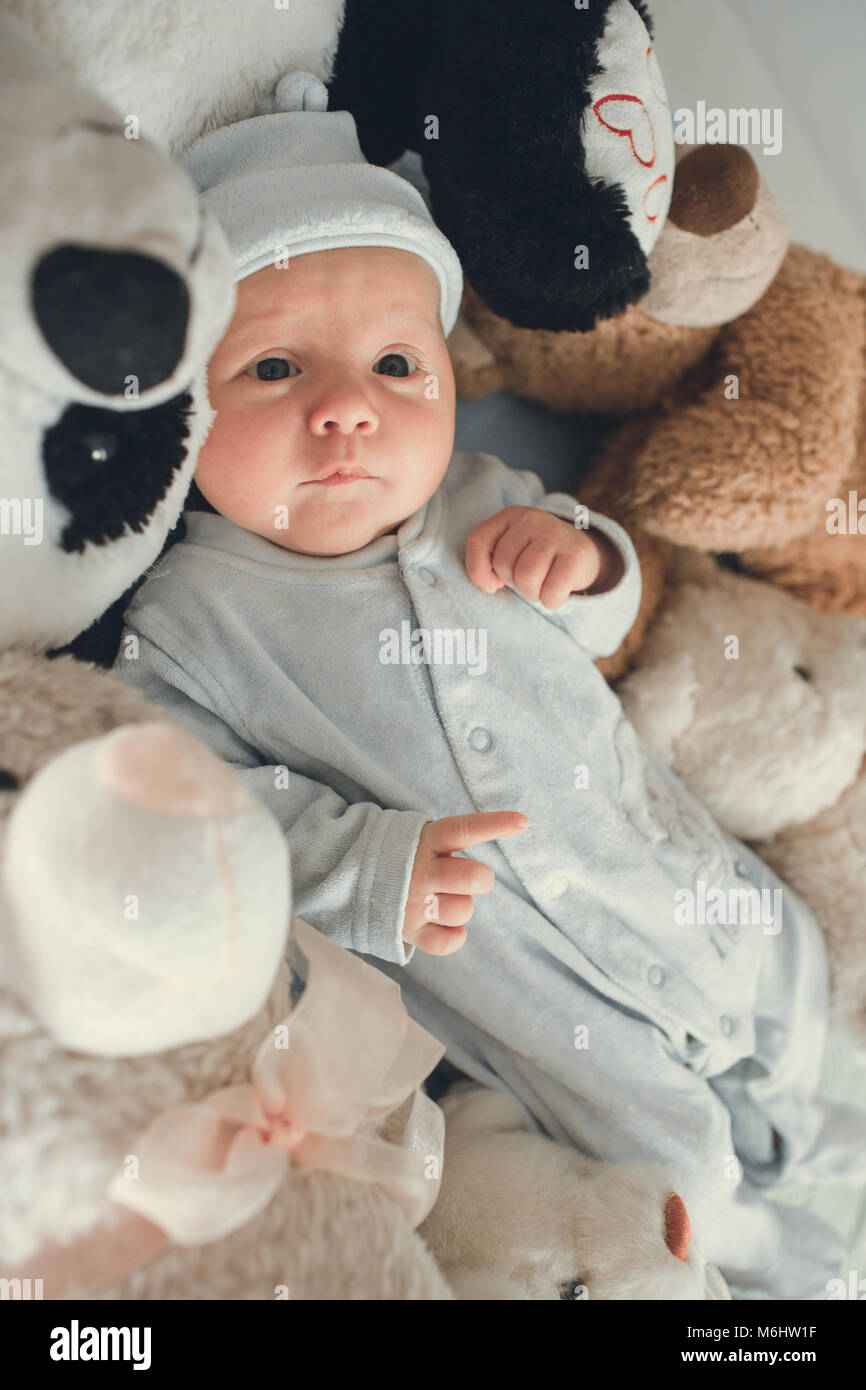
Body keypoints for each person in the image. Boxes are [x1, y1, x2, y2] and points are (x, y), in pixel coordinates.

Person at [115, 75, 866, 1299]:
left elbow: (614, 608)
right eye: (273, 370)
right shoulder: (194, 617)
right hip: (518, 985)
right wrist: (364, 868)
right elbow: (189, 805)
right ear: (178, 412)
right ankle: (773, 1258)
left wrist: (587, 568)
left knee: (785, 961)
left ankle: (807, 1122)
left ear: (449, 382)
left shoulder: (479, 496)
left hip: (661, 862)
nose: (348, 411)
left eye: (395, 362)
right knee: (669, 1155)